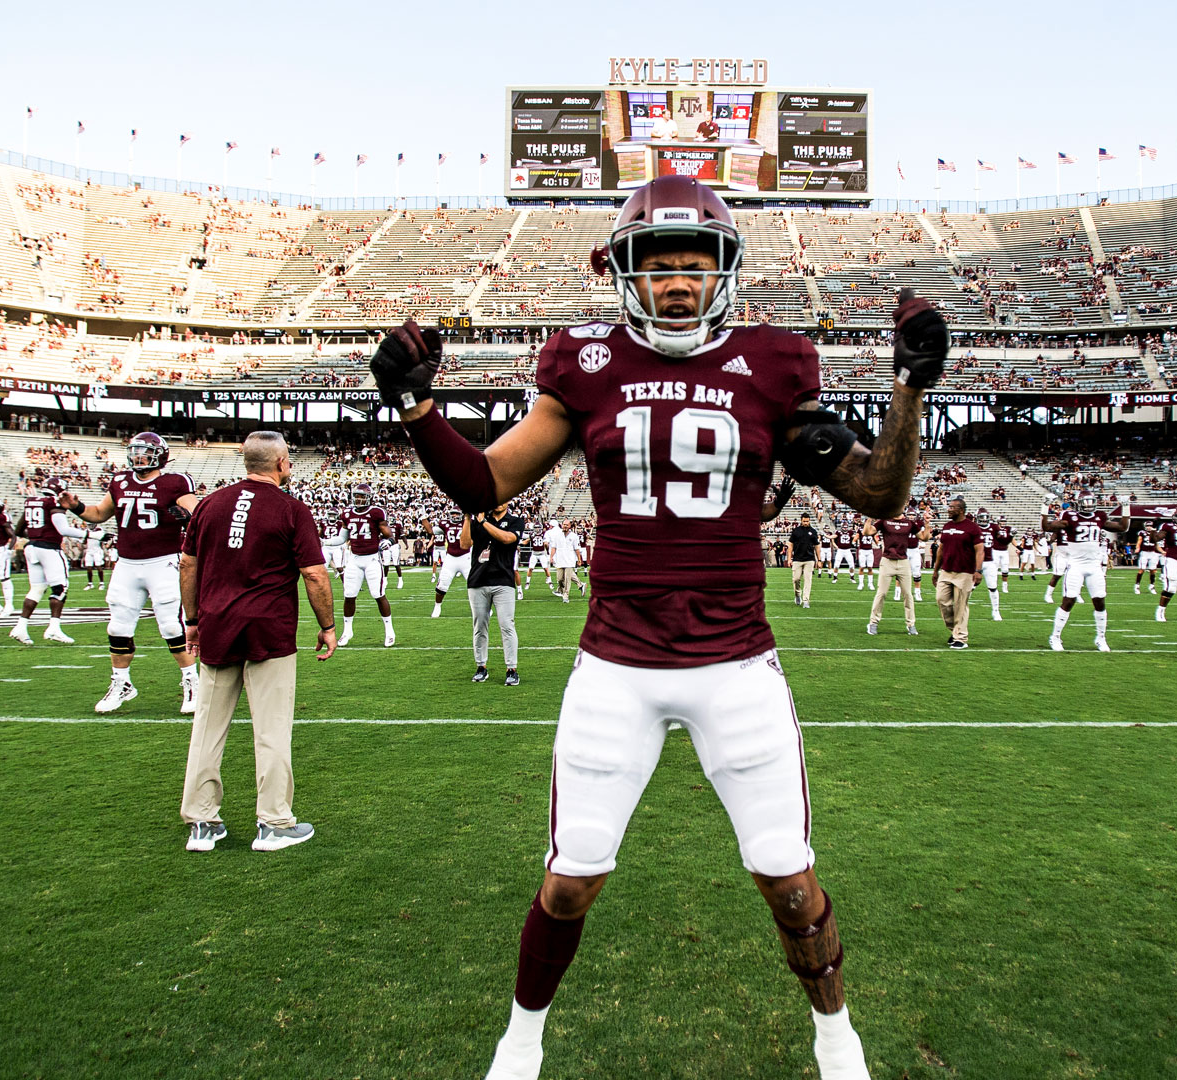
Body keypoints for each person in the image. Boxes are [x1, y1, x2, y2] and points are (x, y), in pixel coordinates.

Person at [371, 174, 945, 1080]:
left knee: (789, 881)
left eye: (696, 264)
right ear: (624, 271)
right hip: (617, 661)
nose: (677, 282)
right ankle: (520, 1041)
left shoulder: (775, 362)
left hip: (736, 661)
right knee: (568, 881)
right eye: (657, 264)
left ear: (727, 271)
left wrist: (912, 388)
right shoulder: (582, 362)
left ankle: (838, 1039)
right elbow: (485, 485)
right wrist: (416, 408)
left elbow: (879, 491)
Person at [178, 431, 334, 853]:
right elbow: (315, 574)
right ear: (281, 463)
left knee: (207, 728)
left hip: (216, 626)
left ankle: (201, 820)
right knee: (272, 729)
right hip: (269, 630)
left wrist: (191, 619)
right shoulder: (290, 508)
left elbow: (188, 565)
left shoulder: (209, 504)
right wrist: (328, 625)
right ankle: (274, 822)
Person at [61, 432, 201, 714]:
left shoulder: (175, 481)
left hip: (163, 561)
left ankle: (191, 681)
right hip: (127, 563)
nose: (138, 456)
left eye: (144, 451)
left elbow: (197, 514)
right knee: (118, 626)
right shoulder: (119, 481)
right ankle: (122, 683)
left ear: (159, 455)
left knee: (171, 626)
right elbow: (99, 513)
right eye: (135, 451)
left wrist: (185, 517)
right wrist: (75, 506)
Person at [1042, 499, 1131, 652]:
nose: (1089, 505)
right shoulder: (1071, 517)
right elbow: (1046, 526)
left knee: (1100, 602)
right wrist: (1044, 507)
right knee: (1068, 601)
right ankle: (1055, 637)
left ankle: (1101, 638)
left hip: (1094, 566)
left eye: (1091, 502)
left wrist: (1126, 508)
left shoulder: (1099, 516)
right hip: (1076, 565)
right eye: (1086, 502)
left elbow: (1123, 527)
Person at [10, 478, 89, 645]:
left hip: (31, 547)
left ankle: (20, 627)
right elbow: (63, 529)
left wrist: (36, 534)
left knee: (37, 588)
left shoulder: (32, 501)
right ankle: (54, 628)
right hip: (49, 549)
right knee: (60, 588)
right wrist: (93, 535)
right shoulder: (54, 502)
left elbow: (18, 529)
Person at [325, 484, 397, 648]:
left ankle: (389, 631)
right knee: (349, 595)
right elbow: (341, 539)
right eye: (356, 496)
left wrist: (387, 542)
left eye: (361, 496)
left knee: (378, 595)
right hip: (354, 559)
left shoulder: (376, 513)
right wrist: (324, 541)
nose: (358, 499)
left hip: (372, 559)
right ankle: (347, 631)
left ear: (368, 497)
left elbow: (390, 535)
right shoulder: (347, 514)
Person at [466, 503, 527, 685]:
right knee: (479, 626)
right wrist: (466, 518)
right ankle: (481, 666)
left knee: (507, 625)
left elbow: (507, 538)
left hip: (503, 580)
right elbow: (464, 543)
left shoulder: (515, 521)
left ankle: (511, 669)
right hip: (478, 580)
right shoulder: (478, 519)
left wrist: (483, 521)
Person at [932, 497, 985, 649]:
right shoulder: (947, 526)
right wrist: (935, 570)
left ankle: (960, 638)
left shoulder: (972, 527)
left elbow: (979, 550)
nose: (949, 509)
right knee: (942, 601)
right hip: (946, 571)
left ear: (961, 510)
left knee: (961, 606)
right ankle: (955, 630)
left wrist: (978, 571)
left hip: (964, 572)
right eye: (949, 507)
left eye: (952, 507)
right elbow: (941, 549)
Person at [865, 512, 919, 636]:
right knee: (882, 593)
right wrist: (869, 518)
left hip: (903, 561)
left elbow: (924, 537)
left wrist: (927, 523)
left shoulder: (909, 523)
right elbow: (867, 532)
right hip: (888, 560)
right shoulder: (885, 520)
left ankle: (911, 624)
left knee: (908, 594)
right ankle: (873, 622)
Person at [545, 517, 582, 602]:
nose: (565, 526)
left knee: (567, 579)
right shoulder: (557, 536)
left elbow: (576, 549)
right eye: (564, 524)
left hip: (569, 561)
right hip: (560, 560)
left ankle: (566, 595)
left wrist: (579, 559)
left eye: (567, 525)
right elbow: (554, 547)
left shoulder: (574, 536)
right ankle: (567, 589)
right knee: (559, 579)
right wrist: (551, 557)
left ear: (570, 526)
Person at [788, 512, 819, 607]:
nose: (806, 523)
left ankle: (806, 600)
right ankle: (797, 594)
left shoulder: (813, 531)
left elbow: (817, 546)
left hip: (809, 559)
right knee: (796, 579)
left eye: (807, 521)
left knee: (808, 579)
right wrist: (789, 559)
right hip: (797, 558)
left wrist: (819, 560)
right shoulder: (796, 531)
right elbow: (790, 545)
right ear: (801, 520)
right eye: (804, 521)